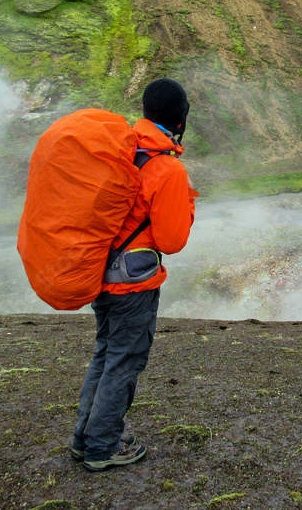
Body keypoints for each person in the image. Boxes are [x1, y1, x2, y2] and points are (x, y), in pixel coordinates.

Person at [71, 78, 198, 471]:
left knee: (106, 354)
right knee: (124, 362)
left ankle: (85, 438)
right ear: (180, 121)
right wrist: (188, 205)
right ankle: (102, 447)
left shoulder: (122, 152)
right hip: (134, 284)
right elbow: (172, 240)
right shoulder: (167, 168)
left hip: (100, 275)